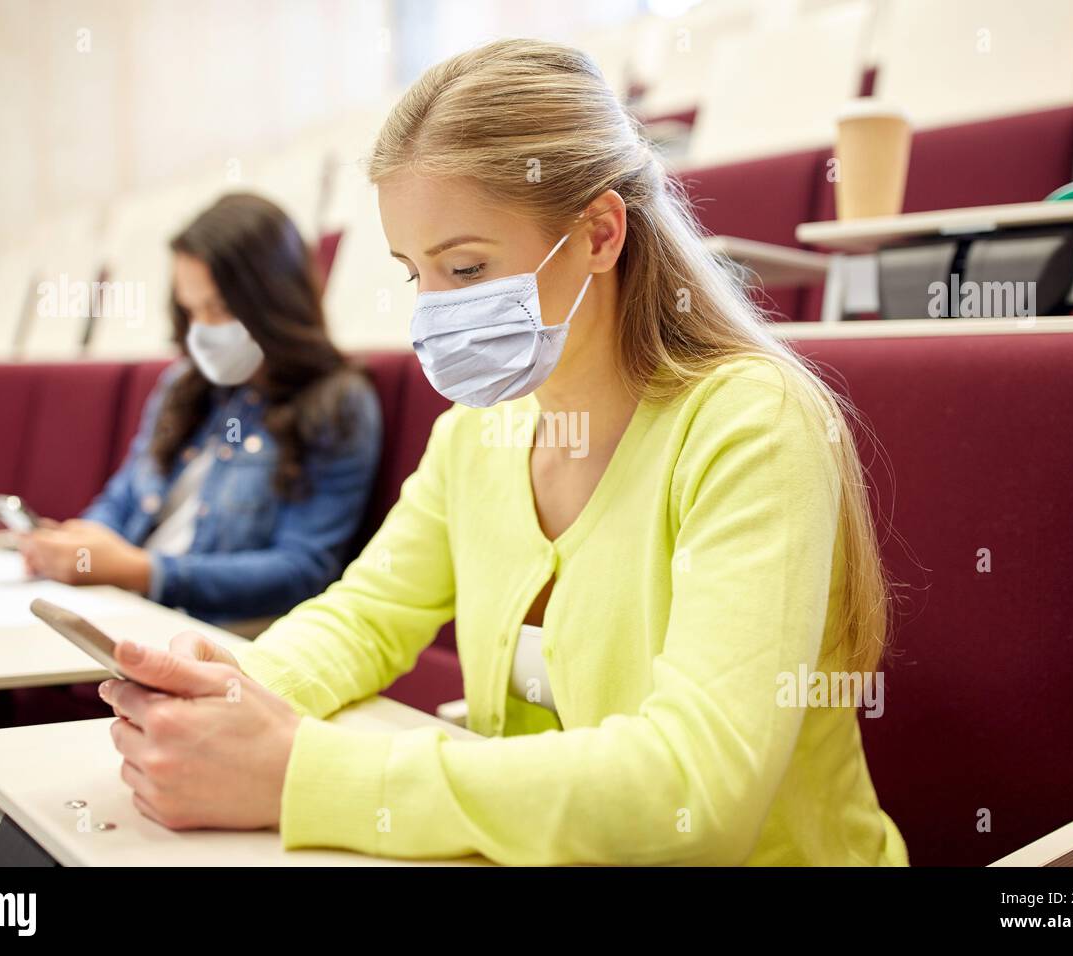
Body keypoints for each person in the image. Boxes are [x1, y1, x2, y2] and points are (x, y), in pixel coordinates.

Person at [98, 40, 909, 866]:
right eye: (416, 274)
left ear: (599, 233)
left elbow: (692, 795)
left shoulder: (753, 426)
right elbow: (366, 617)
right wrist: (233, 692)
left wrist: (301, 773)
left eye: (466, 266)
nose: (433, 315)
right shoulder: (479, 432)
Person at [18, 193, 381, 623]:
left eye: (221, 308)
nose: (203, 330)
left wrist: (142, 572)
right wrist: (80, 544)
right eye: (192, 311)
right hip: (125, 609)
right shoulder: (183, 385)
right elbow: (123, 497)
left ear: (275, 302)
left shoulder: (338, 404)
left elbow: (302, 571)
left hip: (216, 633)